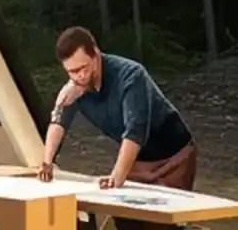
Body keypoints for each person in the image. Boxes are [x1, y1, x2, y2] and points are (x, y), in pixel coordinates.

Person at [37, 26, 198, 230]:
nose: (79, 76)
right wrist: (47, 161)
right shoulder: (73, 88)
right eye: (72, 71)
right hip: (138, 160)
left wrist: (116, 176)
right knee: (124, 218)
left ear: (95, 55)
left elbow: (135, 130)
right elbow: (58, 123)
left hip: (173, 156)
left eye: (83, 68)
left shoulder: (131, 75)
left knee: (160, 224)